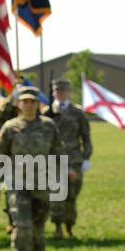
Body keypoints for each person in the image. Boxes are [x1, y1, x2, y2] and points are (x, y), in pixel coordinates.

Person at [0, 85, 65, 251]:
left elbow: (58, 152)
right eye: (25, 101)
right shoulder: (10, 127)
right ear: (18, 104)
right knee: (22, 226)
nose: (29, 105)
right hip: (18, 184)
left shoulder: (48, 126)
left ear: (38, 104)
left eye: (32, 102)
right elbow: (0, 156)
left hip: (42, 185)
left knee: (38, 229)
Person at [48, 78, 92, 239]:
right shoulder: (47, 112)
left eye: (64, 90)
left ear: (69, 92)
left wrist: (86, 157)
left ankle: (69, 226)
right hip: (53, 161)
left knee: (71, 196)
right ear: (54, 92)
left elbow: (86, 137)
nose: (60, 93)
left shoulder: (78, 113)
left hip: (74, 160)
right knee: (56, 195)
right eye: (57, 90)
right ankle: (58, 227)